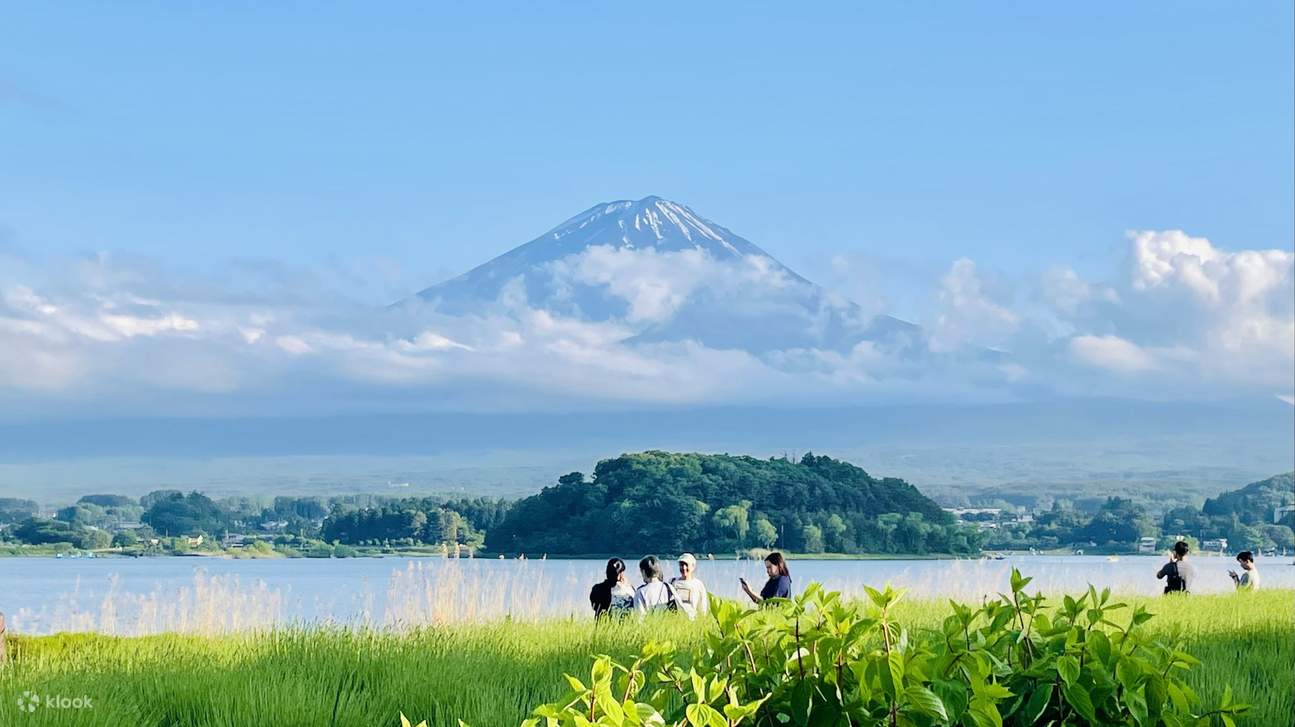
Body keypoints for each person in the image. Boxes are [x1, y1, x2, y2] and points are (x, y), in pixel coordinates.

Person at [670, 553, 709, 620]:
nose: (684, 568)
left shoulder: (698, 584)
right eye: (681, 565)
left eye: (686, 565)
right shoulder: (672, 582)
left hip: (692, 621)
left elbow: (702, 606)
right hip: (675, 622)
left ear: (693, 566)